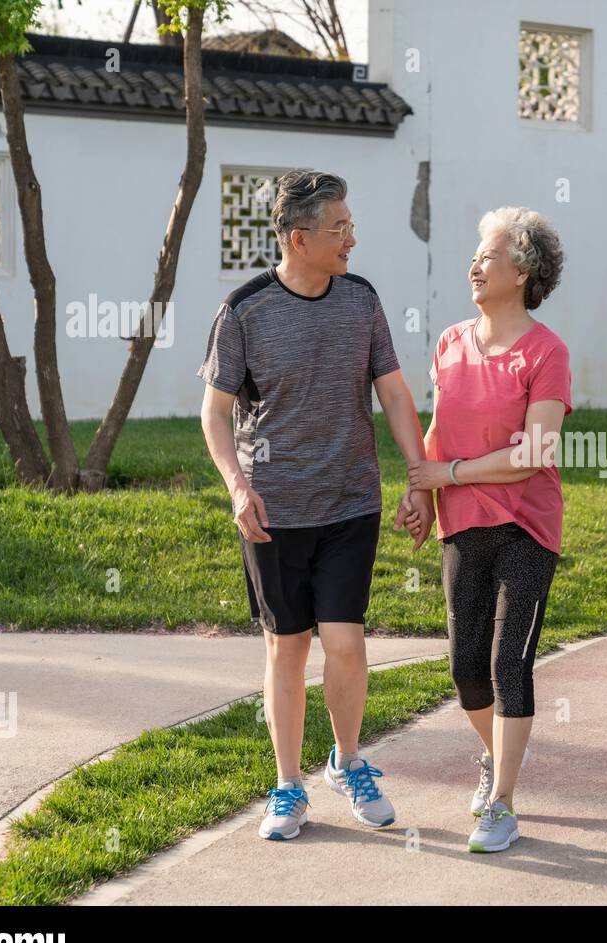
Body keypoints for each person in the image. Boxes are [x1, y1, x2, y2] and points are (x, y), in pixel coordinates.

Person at [198, 169, 434, 841]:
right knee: (286, 648)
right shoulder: (244, 310)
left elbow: (392, 393)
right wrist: (237, 485)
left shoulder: (361, 301)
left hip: (349, 502)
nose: (352, 240)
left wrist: (420, 479)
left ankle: (349, 760)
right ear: (299, 239)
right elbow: (215, 414)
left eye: (351, 227)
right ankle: (286, 785)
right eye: (340, 230)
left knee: (345, 640)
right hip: (273, 512)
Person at [407, 206, 571, 853]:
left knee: (510, 662)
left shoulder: (545, 351)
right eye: (476, 252)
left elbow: (533, 451)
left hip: (527, 526)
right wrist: (421, 487)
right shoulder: (449, 343)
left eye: (490, 253)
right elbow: (438, 429)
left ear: (524, 270)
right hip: (461, 525)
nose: (476, 262)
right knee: (465, 668)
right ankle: (498, 755)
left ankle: (502, 803)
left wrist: (446, 472)